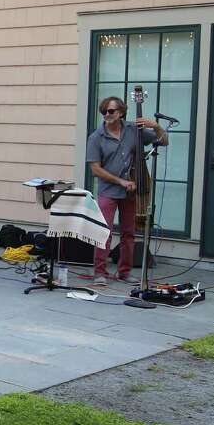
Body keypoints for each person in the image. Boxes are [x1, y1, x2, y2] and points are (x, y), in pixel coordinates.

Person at [84, 96, 168, 287]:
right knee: (103, 232)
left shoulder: (134, 130)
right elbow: (95, 168)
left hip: (132, 190)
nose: (107, 114)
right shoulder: (96, 137)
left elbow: (164, 141)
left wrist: (155, 126)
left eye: (111, 111)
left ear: (121, 112)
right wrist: (120, 181)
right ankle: (100, 273)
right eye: (104, 111)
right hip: (109, 191)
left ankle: (124, 272)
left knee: (129, 232)